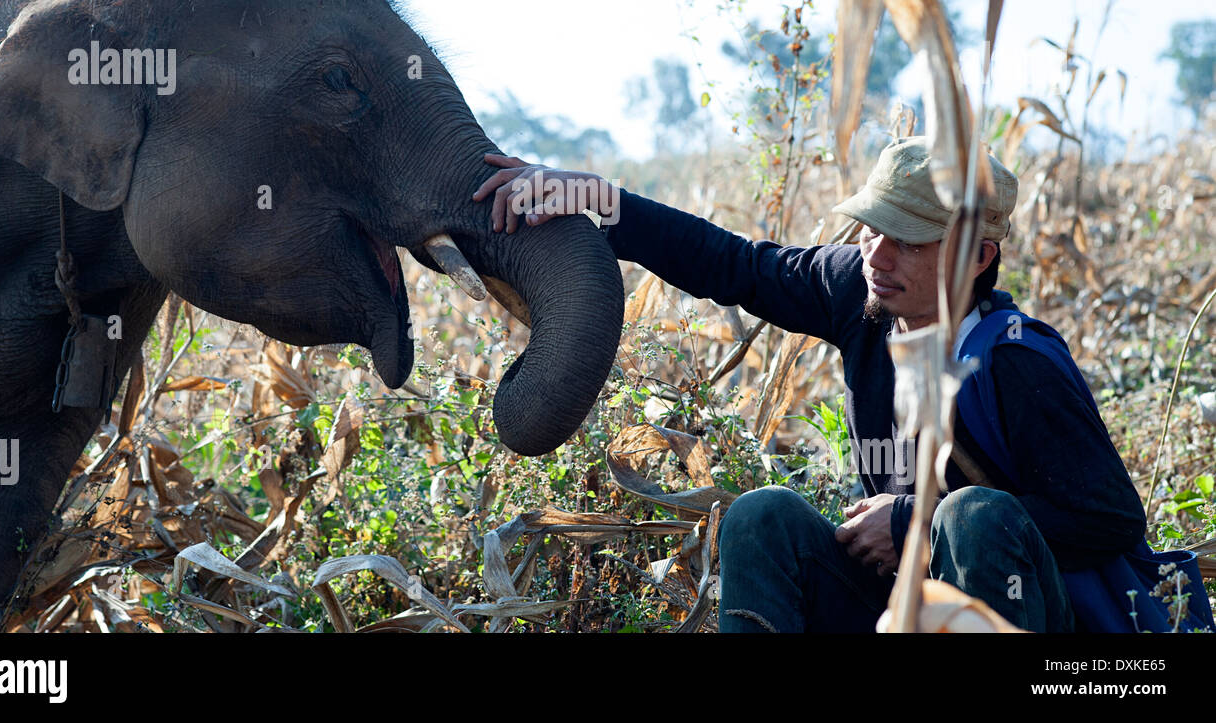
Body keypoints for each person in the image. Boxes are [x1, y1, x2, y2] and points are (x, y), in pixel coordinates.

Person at [473, 137, 1151, 633]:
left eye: (910, 239)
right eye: (874, 229)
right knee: (762, 517)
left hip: (1021, 615)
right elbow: (732, 264)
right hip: (903, 609)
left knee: (970, 515)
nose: (879, 256)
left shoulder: (1018, 362)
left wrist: (915, 520)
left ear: (978, 255)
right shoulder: (861, 291)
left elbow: (1111, 518)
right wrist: (593, 196)